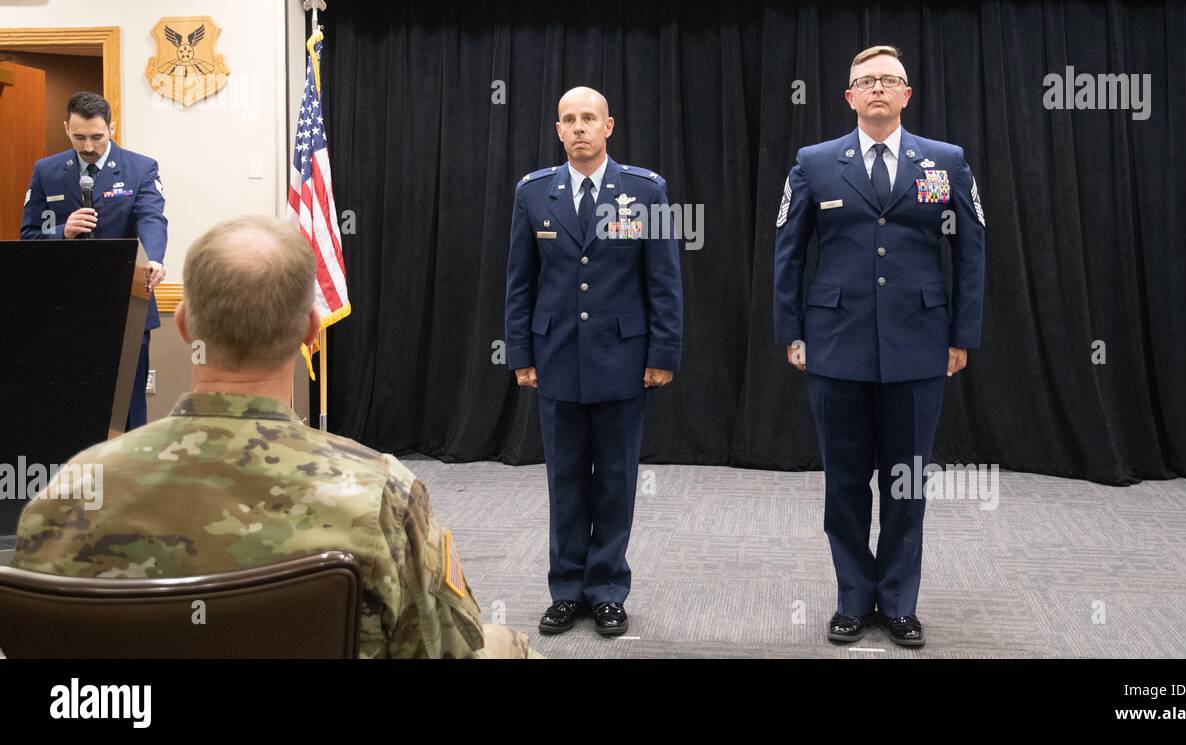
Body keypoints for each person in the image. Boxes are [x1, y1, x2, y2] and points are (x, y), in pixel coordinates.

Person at [12, 215, 536, 659]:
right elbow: (443, 650)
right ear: (312, 330)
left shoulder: (72, 489)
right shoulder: (383, 494)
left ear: (185, 325)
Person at [773, 45, 985, 648]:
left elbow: (971, 252)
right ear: (849, 97)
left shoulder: (946, 162)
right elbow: (788, 254)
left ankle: (897, 601)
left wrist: (961, 336)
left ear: (907, 94)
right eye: (865, 82)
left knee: (906, 481)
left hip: (919, 344)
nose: (877, 91)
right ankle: (850, 597)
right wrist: (792, 331)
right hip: (835, 345)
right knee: (844, 480)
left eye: (889, 81)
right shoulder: (814, 163)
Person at [505, 86, 684, 637]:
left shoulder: (645, 191)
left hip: (623, 358)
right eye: (568, 119)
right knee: (563, 477)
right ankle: (566, 588)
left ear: (610, 126)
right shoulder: (534, 193)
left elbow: (663, 279)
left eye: (589, 118)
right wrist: (520, 352)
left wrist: (662, 351)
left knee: (614, 478)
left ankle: (607, 588)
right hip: (556, 356)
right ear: (558, 130)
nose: (579, 127)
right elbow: (520, 281)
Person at [20, 91, 167, 429]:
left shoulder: (140, 168)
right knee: (69, 400)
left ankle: (129, 475)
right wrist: (62, 232)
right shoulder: (47, 171)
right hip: (65, 307)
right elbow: (30, 234)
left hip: (129, 300)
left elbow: (151, 218)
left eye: (97, 137)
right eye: (79, 137)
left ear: (111, 128)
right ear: (66, 129)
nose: (88, 146)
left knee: (128, 403)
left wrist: (155, 259)